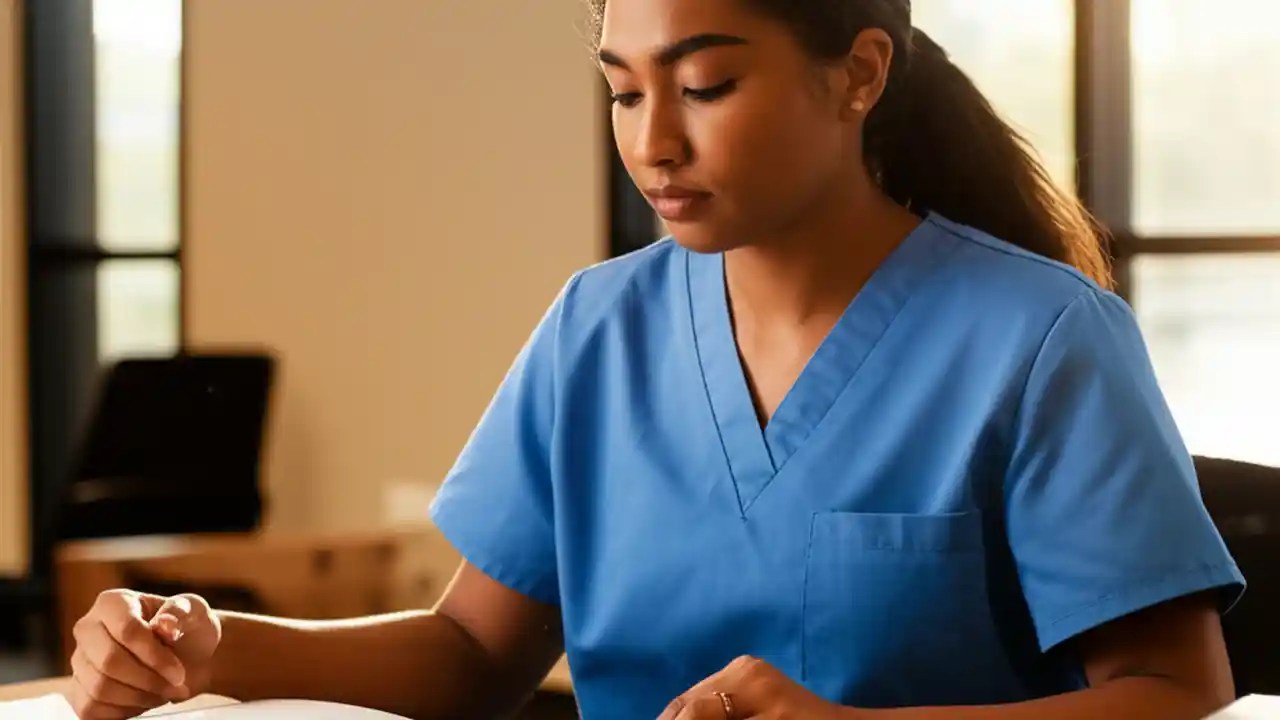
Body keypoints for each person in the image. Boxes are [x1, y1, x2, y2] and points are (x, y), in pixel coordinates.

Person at [68, 1, 1245, 719]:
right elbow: (470, 650)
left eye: (704, 86)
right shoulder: (595, 330)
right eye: (624, 94)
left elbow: (1172, 693)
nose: (652, 142)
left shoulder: (1037, 341)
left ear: (860, 74)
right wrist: (211, 644)